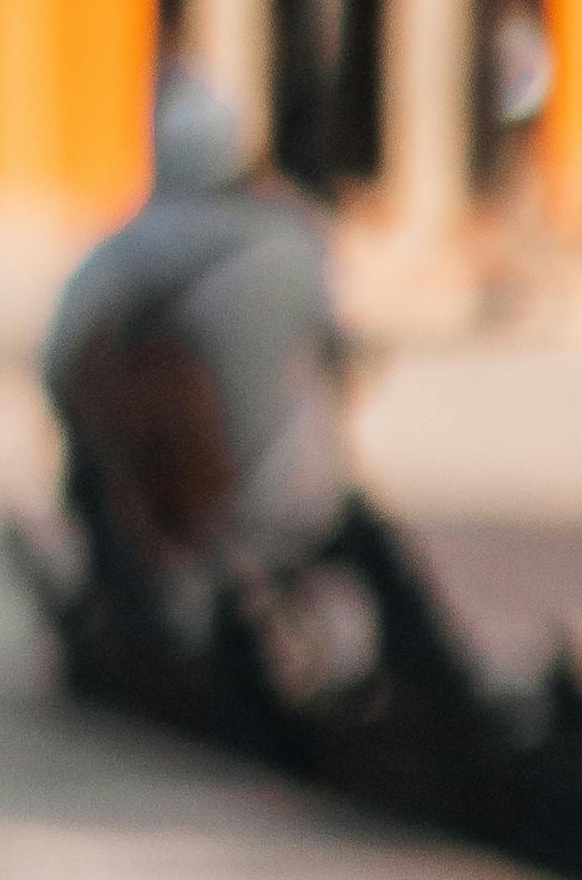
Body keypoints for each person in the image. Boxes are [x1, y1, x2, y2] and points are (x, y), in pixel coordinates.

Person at [41, 66, 351, 610]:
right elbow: (339, 359)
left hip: (166, 497)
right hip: (299, 491)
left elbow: (58, 365)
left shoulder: (124, 254)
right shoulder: (296, 242)